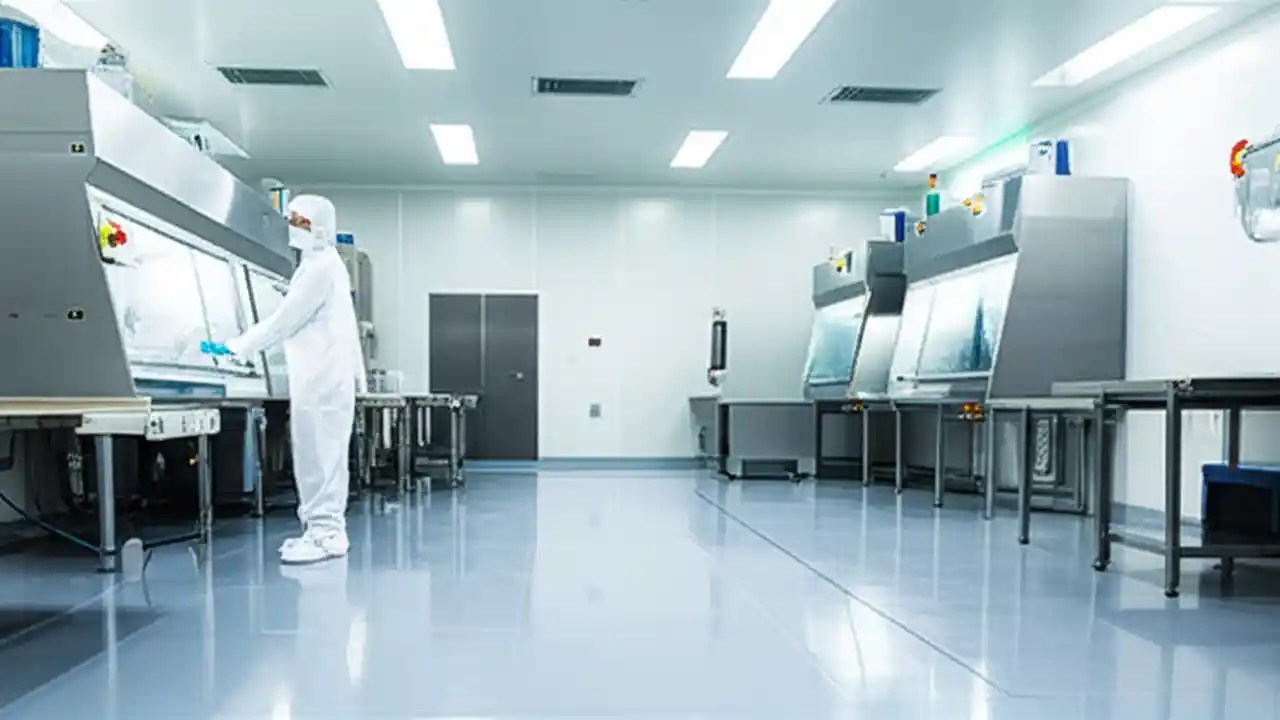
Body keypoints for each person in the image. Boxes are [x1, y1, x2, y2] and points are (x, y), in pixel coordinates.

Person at [206, 195, 365, 564]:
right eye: (291, 218)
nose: (293, 226)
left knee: (319, 459)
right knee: (318, 457)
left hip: (322, 383)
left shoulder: (321, 268)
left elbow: (284, 321)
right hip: (322, 381)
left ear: (321, 227)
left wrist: (237, 346)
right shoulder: (319, 267)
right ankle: (322, 531)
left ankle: (325, 533)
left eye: (301, 220)